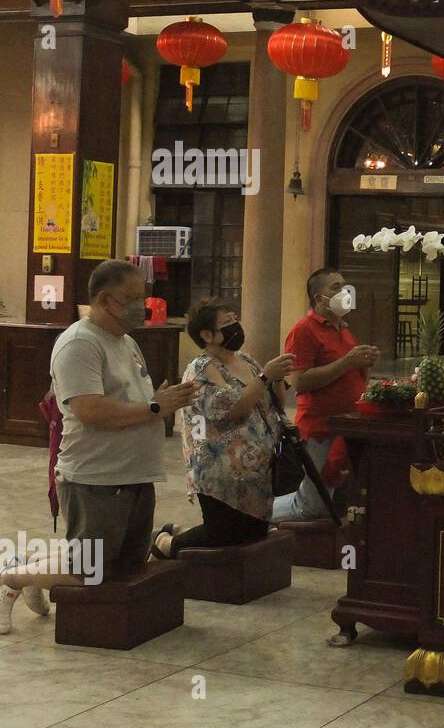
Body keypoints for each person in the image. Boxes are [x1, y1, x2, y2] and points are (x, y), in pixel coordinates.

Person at [0, 260, 199, 633]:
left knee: (123, 565)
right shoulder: (79, 343)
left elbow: (136, 401)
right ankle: (13, 578)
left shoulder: (127, 342)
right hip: (97, 476)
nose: (144, 305)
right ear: (106, 300)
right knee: (88, 570)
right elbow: (90, 409)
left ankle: (32, 568)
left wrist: (162, 400)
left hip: (136, 472)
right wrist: (156, 407)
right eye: (134, 298)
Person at [151, 298, 295, 559]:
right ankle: (165, 544)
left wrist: (275, 380)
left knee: (254, 531)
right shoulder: (201, 368)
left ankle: (180, 535)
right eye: (227, 324)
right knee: (222, 533)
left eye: (235, 320)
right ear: (207, 335)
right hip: (219, 470)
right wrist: (265, 378)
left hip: (256, 467)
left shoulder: (247, 360)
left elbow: (272, 403)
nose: (236, 327)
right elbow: (230, 409)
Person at [271, 268, 379, 522]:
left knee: (337, 497)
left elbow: (351, 373)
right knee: (313, 504)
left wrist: (365, 362)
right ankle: (253, 513)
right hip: (320, 427)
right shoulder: (304, 330)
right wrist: (347, 361)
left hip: (347, 423)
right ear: (319, 299)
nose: (344, 292)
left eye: (344, 286)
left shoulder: (343, 329)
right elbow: (300, 381)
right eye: (335, 288)